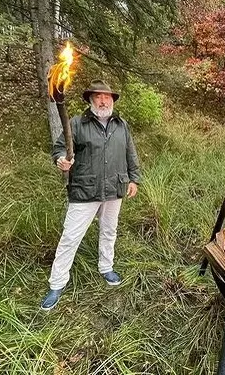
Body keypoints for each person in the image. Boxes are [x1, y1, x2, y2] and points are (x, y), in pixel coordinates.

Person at [40, 79, 141, 311]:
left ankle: (106, 267)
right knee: (70, 237)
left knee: (109, 230)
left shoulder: (121, 124)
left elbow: (130, 152)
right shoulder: (76, 123)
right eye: (98, 97)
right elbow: (60, 149)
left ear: (112, 100)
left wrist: (134, 178)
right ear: (90, 100)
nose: (103, 100)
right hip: (85, 189)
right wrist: (61, 160)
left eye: (107, 97)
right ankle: (57, 284)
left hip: (115, 188)